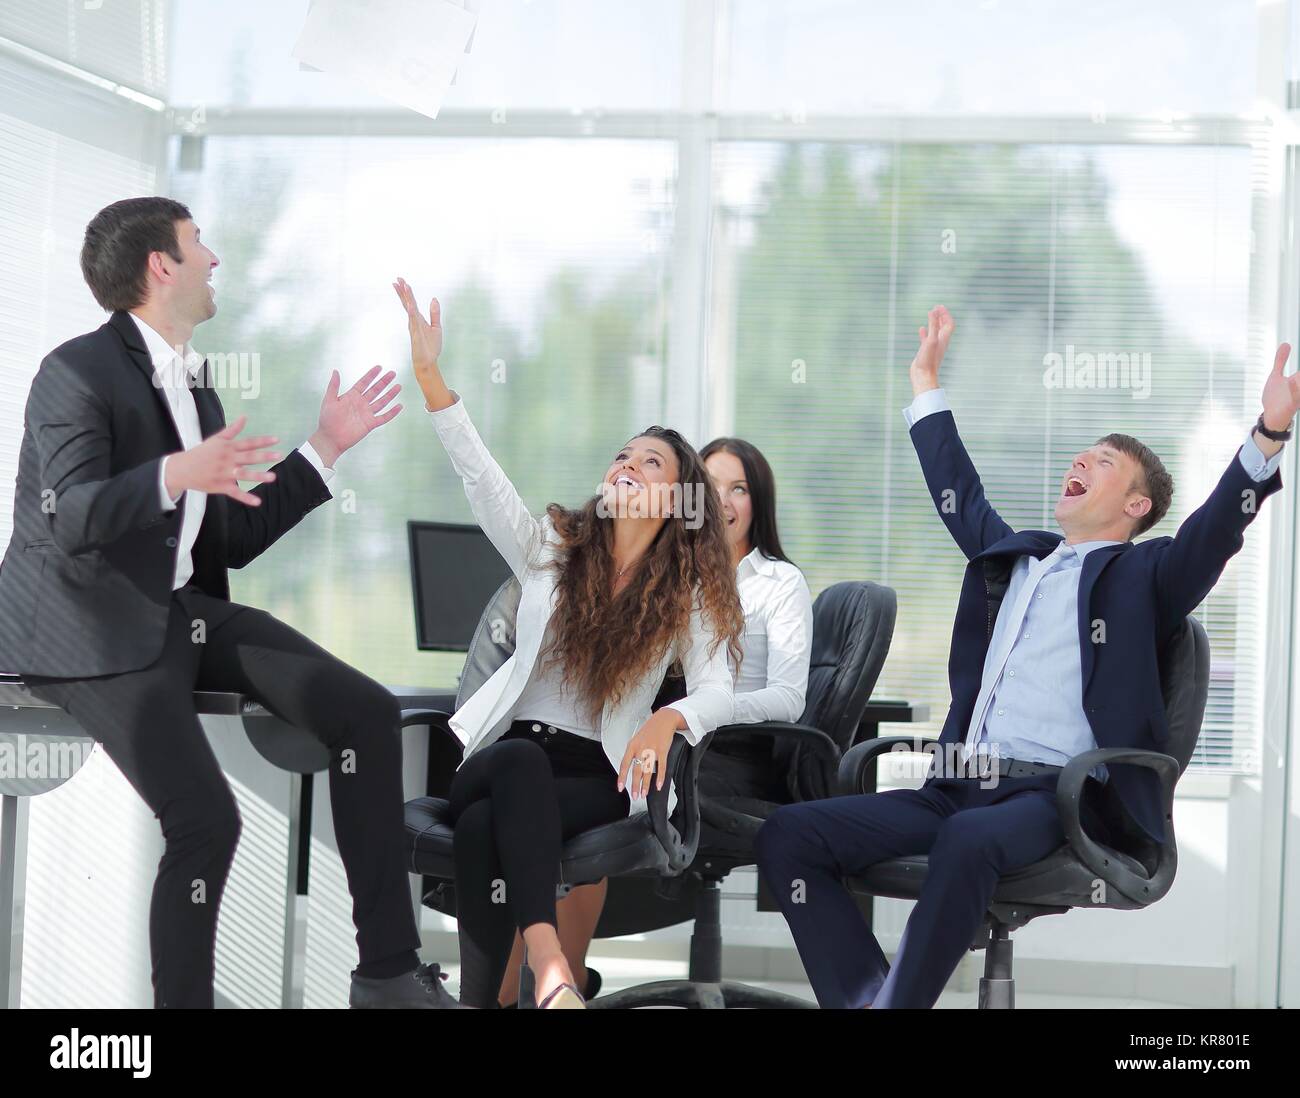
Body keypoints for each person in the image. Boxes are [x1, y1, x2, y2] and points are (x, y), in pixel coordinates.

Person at [755, 304, 1294, 1009]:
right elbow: (959, 494)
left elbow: (1218, 527)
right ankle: (866, 998)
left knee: (970, 841)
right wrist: (924, 382)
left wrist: (1269, 434)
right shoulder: (1018, 560)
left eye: (1103, 463)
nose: (1081, 461)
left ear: (1136, 507)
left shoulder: (1147, 576)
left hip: (1052, 796)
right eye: (1081, 454)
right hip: (953, 780)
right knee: (789, 836)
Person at [0, 197, 457, 1008]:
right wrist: (175, 474)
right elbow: (67, 516)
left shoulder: (195, 388)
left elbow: (223, 544)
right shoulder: (75, 371)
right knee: (207, 820)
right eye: (199, 242)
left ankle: (385, 970)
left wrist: (325, 447)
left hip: (177, 609)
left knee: (364, 712)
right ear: (159, 266)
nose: (215, 258)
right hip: (86, 625)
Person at [393, 277, 744, 1009]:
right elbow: (483, 484)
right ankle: (551, 961)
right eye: (623, 455)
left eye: (651, 463)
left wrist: (666, 719)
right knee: (513, 764)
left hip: (592, 780)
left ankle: (489, 1000)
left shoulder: (686, 598)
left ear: (681, 502)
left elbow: (716, 689)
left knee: (490, 828)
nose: (628, 465)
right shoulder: (554, 549)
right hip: (498, 760)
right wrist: (432, 380)